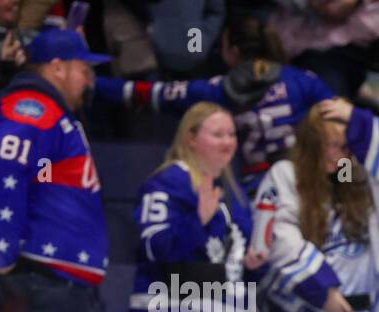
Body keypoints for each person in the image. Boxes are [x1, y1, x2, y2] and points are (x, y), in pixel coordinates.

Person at [251, 99, 379, 312]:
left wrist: (357, 118)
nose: (341, 155)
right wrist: (322, 287)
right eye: (333, 145)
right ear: (312, 145)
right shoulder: (286, 175)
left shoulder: (355, 182)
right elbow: (280, 236)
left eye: (347, 146)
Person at [93, 12, 334, 191]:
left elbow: (149, 93)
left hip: (254, 191)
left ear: (234, 51)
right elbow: (345, 124)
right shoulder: (304, 82)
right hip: (305, 188)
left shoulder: (215, 89)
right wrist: (343, 177)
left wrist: (92, 83)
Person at [0, 28, 109, 312]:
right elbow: (4, 168)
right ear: (57, 67)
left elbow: (40, 175)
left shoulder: (55, 117)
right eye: (84, 70)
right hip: (39, 289)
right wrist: (1, 255)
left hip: (57, 290)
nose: (89, 80)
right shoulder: (32, 110)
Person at [129, 102, 266, 312]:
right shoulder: (169, 181)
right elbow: (154, 248)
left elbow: (233, 271)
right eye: (217, 134)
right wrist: (197, 221)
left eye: (232, 134)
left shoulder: (233, 193)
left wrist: (255, 267)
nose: (228, 142)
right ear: (191, 138)